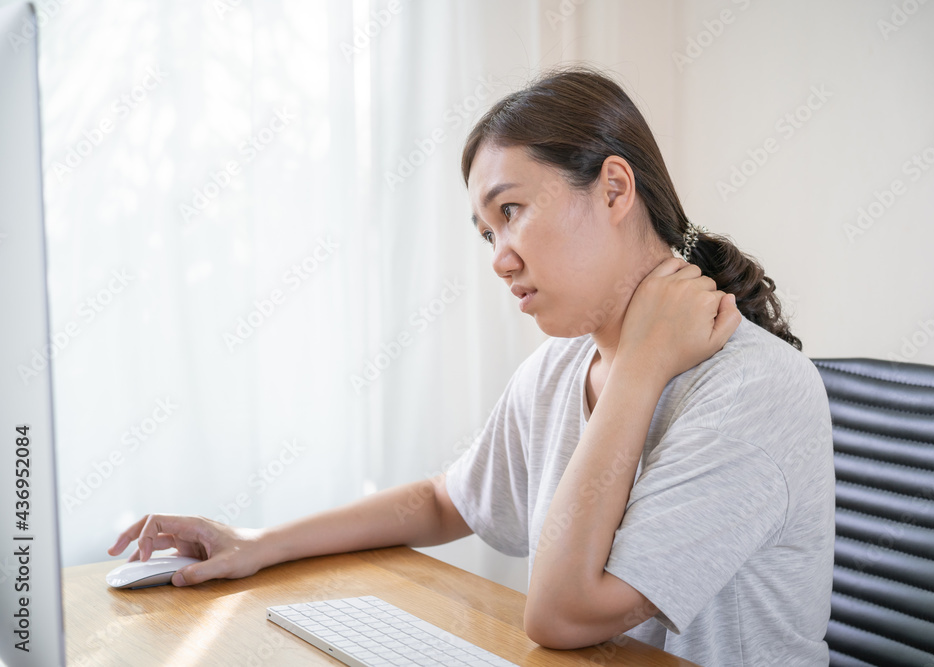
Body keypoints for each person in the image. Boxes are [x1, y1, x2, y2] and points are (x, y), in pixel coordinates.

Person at [109, 66, 834, 665]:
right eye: (486, 233)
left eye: (511, 211)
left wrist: (641, 366)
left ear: (615, 189)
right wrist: (259, 542)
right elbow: (445, 500)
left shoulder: (754, 389)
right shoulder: (558, 369)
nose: (499, 258)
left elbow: (563, 613)